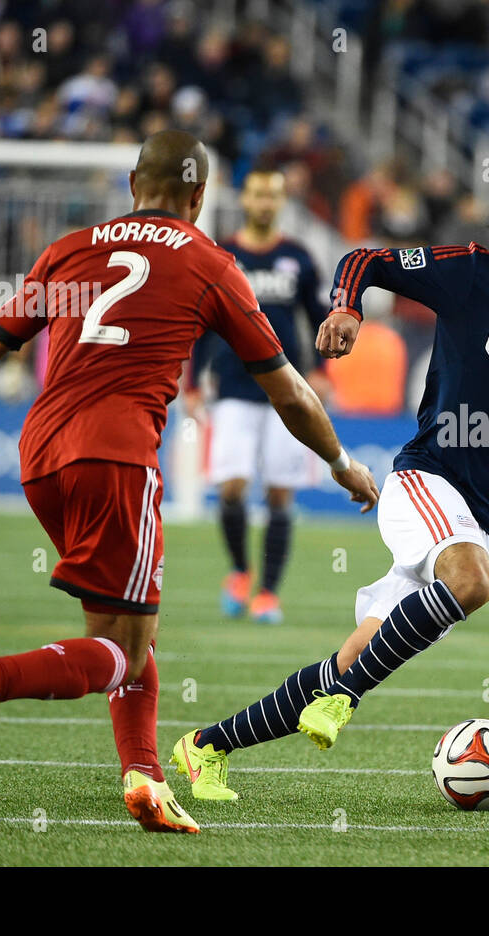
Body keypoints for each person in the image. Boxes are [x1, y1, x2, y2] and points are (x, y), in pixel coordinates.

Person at [170, 167, 489, 800]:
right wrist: (345, 308)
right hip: (428, 481)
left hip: (488, 524)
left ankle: (205, 746)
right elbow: (366, 259)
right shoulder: (472, 273)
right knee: (471, 582)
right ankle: (344, 698)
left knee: (358, 650)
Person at [0, 130, 378, 832]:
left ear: (133, 182)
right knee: (123, 652)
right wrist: (342, 464)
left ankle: (143, 778)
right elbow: (291, 395)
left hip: (41, 455)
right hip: (118, 458)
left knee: (124, 629)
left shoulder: (69, 249)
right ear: (200, 198)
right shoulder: (208, 262)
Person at [186, 168, 334, 624]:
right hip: (232, 384)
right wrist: (192, 382)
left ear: (282, 200)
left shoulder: (299, 257)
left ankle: (269, 592)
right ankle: (239, 571)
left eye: (273, 195)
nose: (265, 202)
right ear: (245, 199)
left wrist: (324, 370)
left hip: (287, 391)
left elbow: (318, 314)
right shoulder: (222, 255)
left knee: (279, 494)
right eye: (257, 194)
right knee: (231, 487)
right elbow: (202, 322)